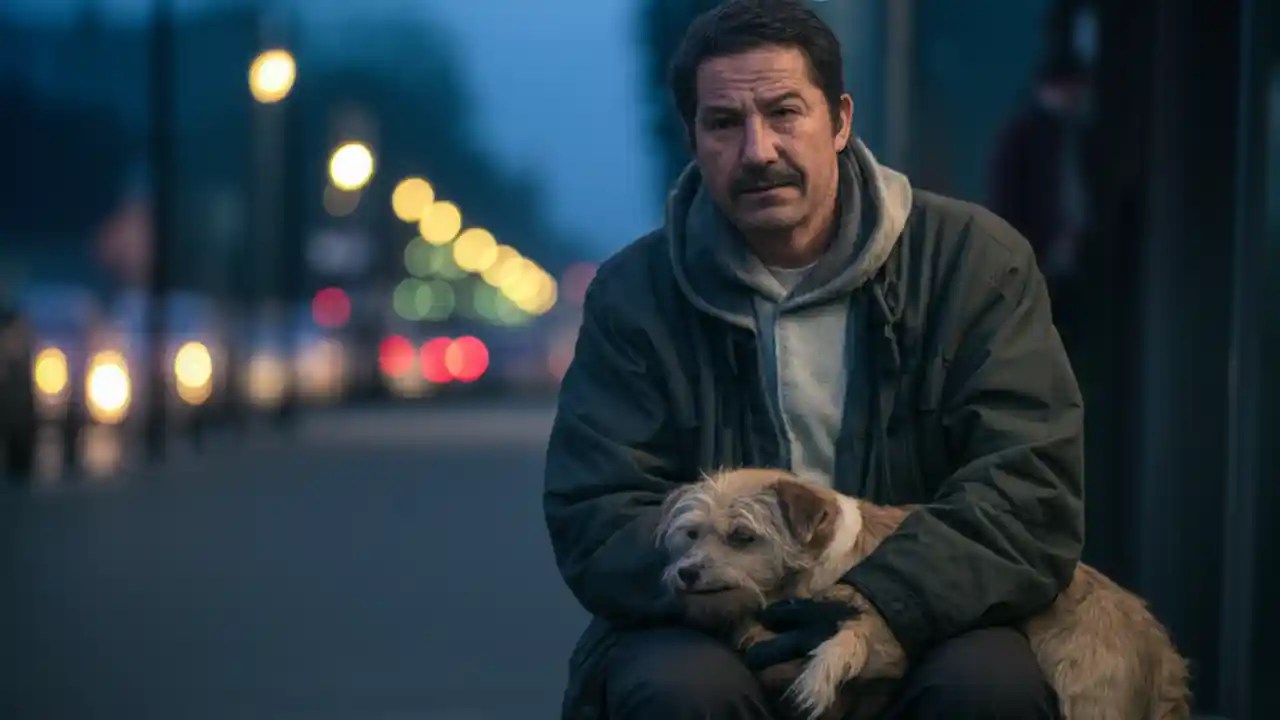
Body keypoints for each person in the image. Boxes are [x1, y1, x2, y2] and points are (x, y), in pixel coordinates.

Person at [543, 1, 1083, 718]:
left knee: (990, 691)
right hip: (704, 617)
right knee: (679, 695)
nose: (758, 150)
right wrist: (742, 589)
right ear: (693, 138)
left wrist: (876, 603)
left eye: (784, 112)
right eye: (724, 123)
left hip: (928, 607)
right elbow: (597, 510)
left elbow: (1029, 488)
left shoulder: (975, 263)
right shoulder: (634, 295)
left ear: (841, 120)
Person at [988, 53, 1093, 351]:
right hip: (1039, 251)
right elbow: (1009, 197)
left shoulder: (1070, 131)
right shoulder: (1029, 132)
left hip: (1059, 251)